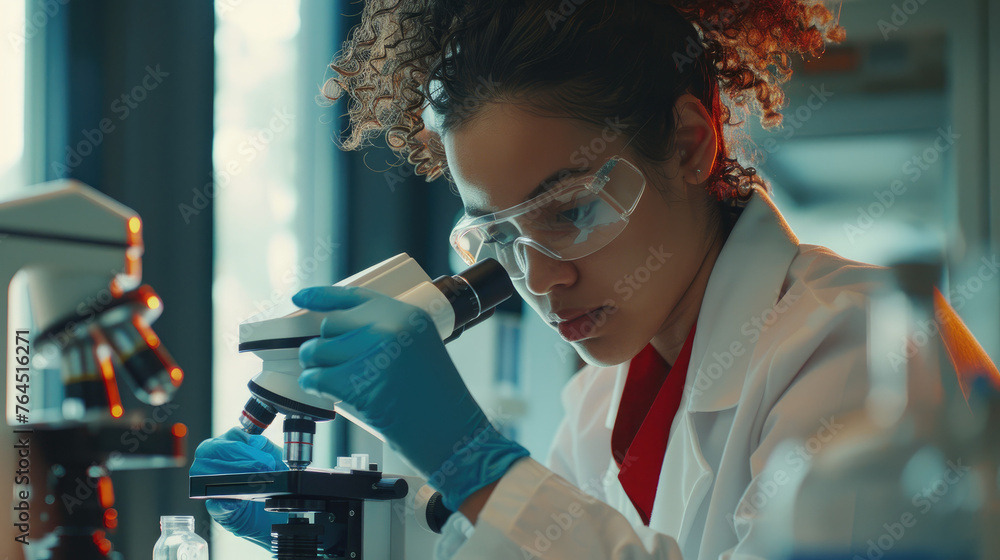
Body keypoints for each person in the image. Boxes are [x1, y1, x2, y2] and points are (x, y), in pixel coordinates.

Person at [191, 1, 989, 558]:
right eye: (499, 237)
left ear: (688, 143)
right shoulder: (597, 403)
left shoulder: (864, 344)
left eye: (569, 211)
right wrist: (370, 525)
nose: (540, 278)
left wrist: (475, 460)